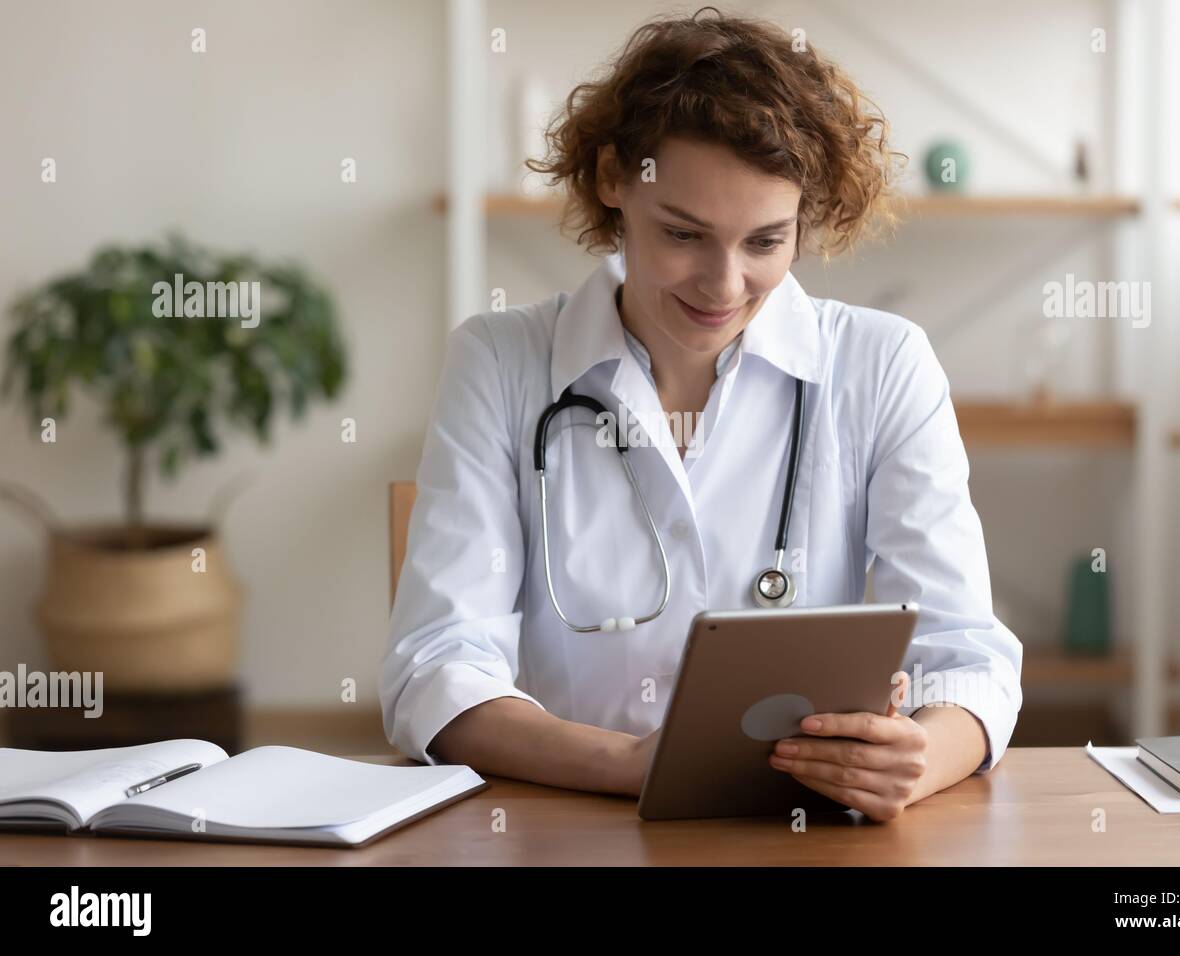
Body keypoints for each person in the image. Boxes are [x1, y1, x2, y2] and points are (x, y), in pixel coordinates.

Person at [381, 7, 1022, 822]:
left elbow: (966, 656)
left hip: (799, 837)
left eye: (765, 242)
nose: (723, 287)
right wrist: (632, 765)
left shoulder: (882, 365)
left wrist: (918, 760)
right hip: (567, 829)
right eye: (683, 234)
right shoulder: (501, 363)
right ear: (615, 180)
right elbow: (434, 667)